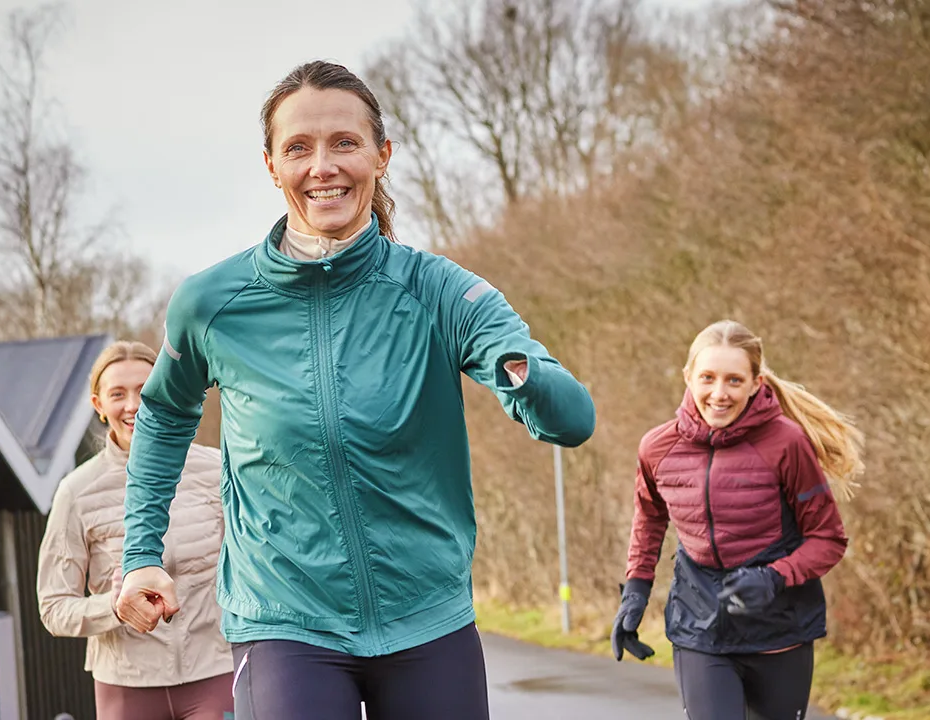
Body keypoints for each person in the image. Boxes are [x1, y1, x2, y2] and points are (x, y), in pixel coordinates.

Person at [113, 60, 596, 720]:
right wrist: (141, 555)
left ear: (381, 155)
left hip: (425, 613)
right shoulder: (212, 305)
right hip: (284, 617)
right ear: (271, 166)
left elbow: (571, 420)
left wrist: (522, 371)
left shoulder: (437, 291)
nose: (323, 166)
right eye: (299, 148)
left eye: (344, 143)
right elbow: (165, 416)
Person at [611, 320, 863, 720]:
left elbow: (827, 539)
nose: (719, 393)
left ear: (755, 383)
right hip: (700, 627)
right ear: (688, 377)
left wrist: (773, 577)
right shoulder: (658, 447)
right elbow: (649, 519)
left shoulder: (786, 443)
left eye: (733, 380)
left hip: (778, 630)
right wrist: (636, 593)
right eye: (707, 378)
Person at [36, 340, 233, 720]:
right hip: (125, 685)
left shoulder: (216, 470)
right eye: (117, 394)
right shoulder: (77, 492)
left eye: (144, 391)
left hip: (215, 670)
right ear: (98, 406)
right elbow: (54, 607)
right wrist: (113, 607)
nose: (133, 405)